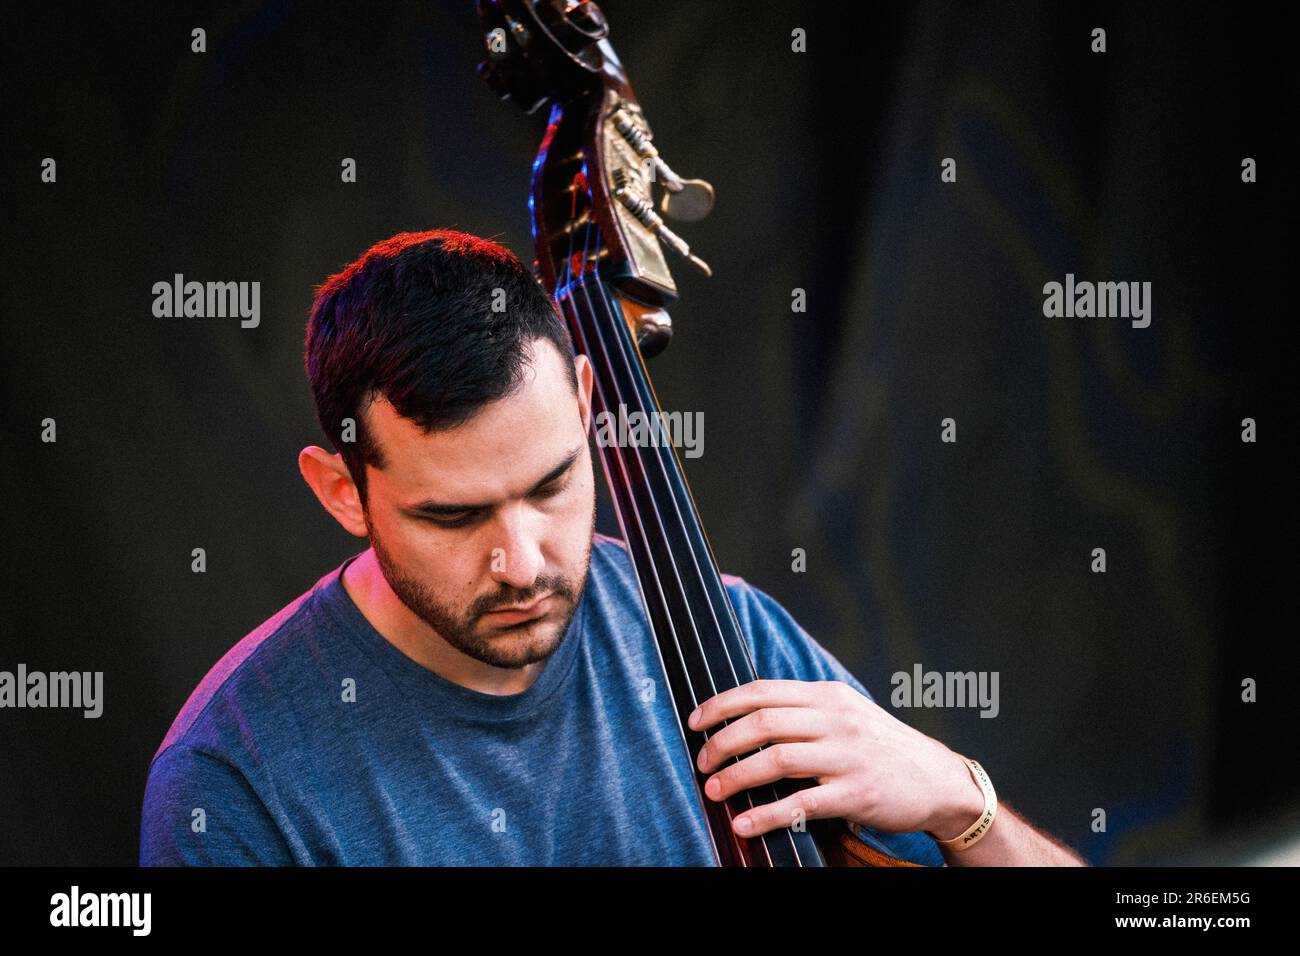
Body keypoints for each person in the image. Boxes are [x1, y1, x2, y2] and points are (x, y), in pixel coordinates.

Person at [139, 229, 1085, 866]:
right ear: (343, 489)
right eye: (454, 516)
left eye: (552, 485)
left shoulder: (725, 638)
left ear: (589, 405)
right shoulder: (236, 782)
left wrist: (962, 805)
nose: (525, 561)